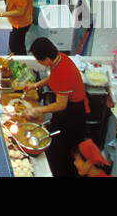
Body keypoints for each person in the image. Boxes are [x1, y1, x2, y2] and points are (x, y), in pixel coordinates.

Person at [23, 37, 89, 177]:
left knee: (64, 154)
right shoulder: (60, 59)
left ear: (46, 59)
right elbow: (52, 77)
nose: (37, 62)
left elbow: (61, 105)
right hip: (67, 110)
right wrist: (34, 85)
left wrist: (37, 110)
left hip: (73, 115)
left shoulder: (63, 73)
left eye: (38, 59)